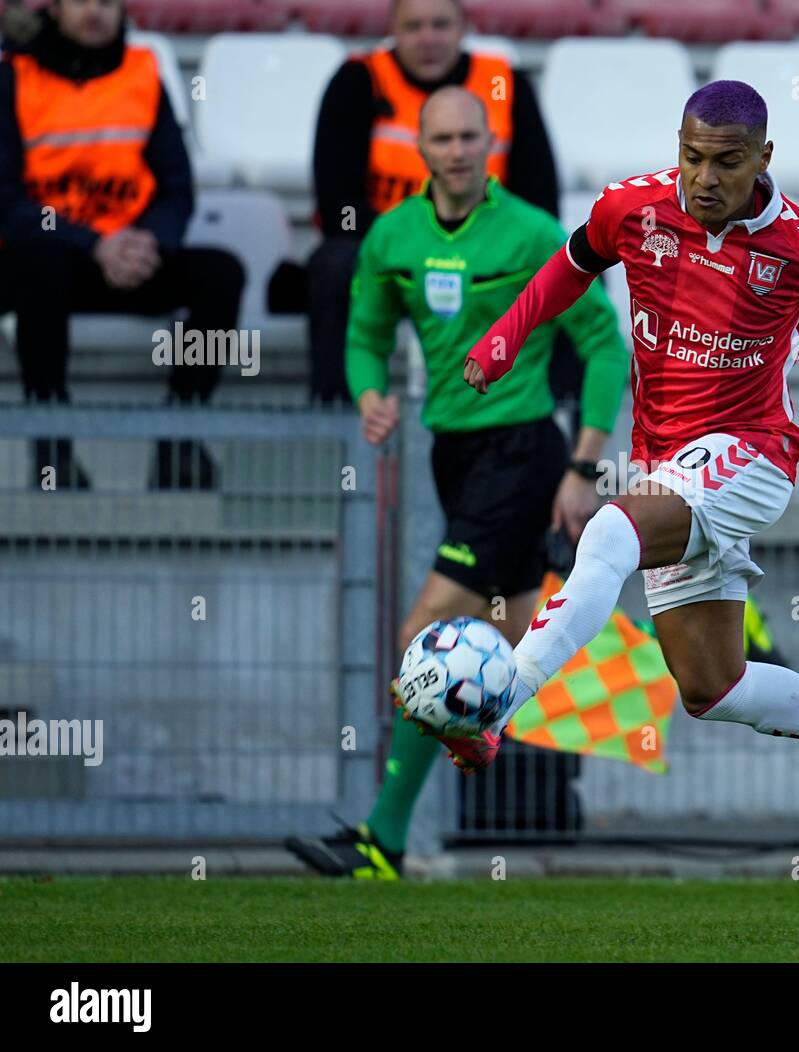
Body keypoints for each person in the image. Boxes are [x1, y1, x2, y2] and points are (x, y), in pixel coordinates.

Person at [462, 80, 799, 844]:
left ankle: (499, 702)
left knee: (606, 534)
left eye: (726, 162)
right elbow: (573, 262)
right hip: (669, 465)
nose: (705, 178)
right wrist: (505, 338)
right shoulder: (633, 209)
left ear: (763, 158)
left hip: (751, 456)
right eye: (692, 158)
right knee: (711, 688)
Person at [286, 86, 627, 878]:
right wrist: (370, 392)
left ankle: (384, 837)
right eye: (442, 137)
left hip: (520, 452)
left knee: (426, 637)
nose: (458, 150)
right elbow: (365, 333)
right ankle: (641, 687)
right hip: (454, 457)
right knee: (511, 646)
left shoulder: (537, 234)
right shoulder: (393, 237)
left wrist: (582, 466)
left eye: (471, 136)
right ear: (420, 145)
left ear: (490, 142)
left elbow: (606, 347)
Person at [0, 0, 244, 489]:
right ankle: (53, 451)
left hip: (129, 257)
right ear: (56, 9)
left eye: (108, 2)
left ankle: (181, 436)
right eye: (82, 1)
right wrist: (92, 243)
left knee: (221, 273)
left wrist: (151, 241)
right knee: (38, 265)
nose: (95, 12)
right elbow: (8, 202)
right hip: (50, 252)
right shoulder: (13, 78)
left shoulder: (142, 74)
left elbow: (176, 186)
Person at [307, 0, 561, 405]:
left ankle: (561, 426)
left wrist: (485, 244)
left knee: (566, 271)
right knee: (333, 267)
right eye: (414, 26)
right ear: (393, 27)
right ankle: (342, 419)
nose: (428, 38)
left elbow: (540, 200)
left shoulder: (505, 82)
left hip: (490, 247)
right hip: (386, 251)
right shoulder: (359, 80)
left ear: (464, 27)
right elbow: (340, 208)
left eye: (440, 25)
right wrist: (408, 243)